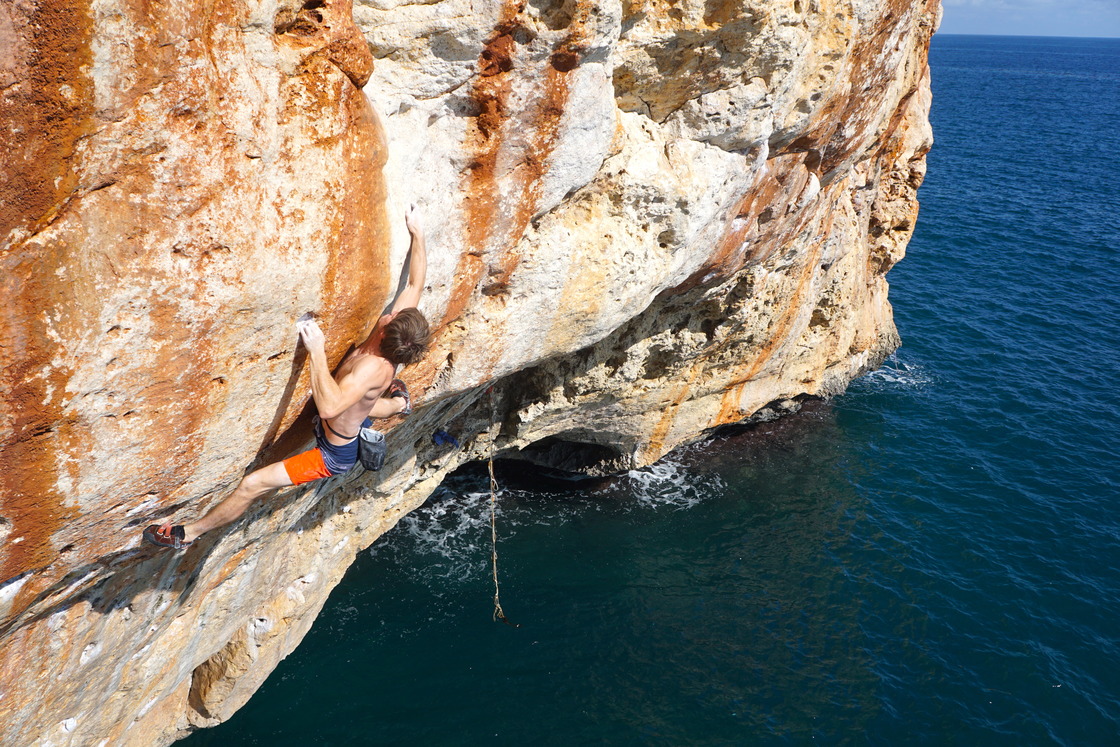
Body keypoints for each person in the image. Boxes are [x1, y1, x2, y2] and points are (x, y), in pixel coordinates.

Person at [143, 205, 430, 550]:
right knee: (363, 405)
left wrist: (317, 350)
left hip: (332, 453)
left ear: (384, 335)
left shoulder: (372, 367)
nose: (389, 314)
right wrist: (418, 233)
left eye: (390, 318)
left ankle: (187, 534)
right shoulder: (396, 334)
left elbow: (329, 407)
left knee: (252, 485)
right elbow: (415, 282)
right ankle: (398, 403)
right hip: (350, 417)